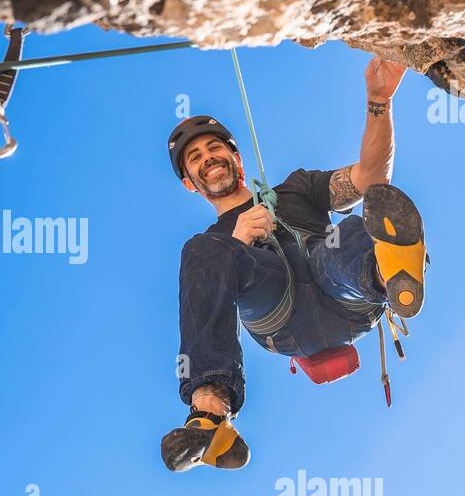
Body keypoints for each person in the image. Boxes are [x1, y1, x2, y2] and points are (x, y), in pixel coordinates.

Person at [161, 57, 427, 473]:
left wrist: (379, 100)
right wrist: (238, 242)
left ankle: (388, 271)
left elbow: (373, 177)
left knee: (351, 228)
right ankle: (211, 416)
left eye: (215, 147)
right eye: (195, 158)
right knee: (202, 251)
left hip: (344, 291)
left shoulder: (296, 190)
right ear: (190, 183)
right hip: (279, 317)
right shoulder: (214, 245)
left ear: (238, 159)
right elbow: (214, 278)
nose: (207, 157)